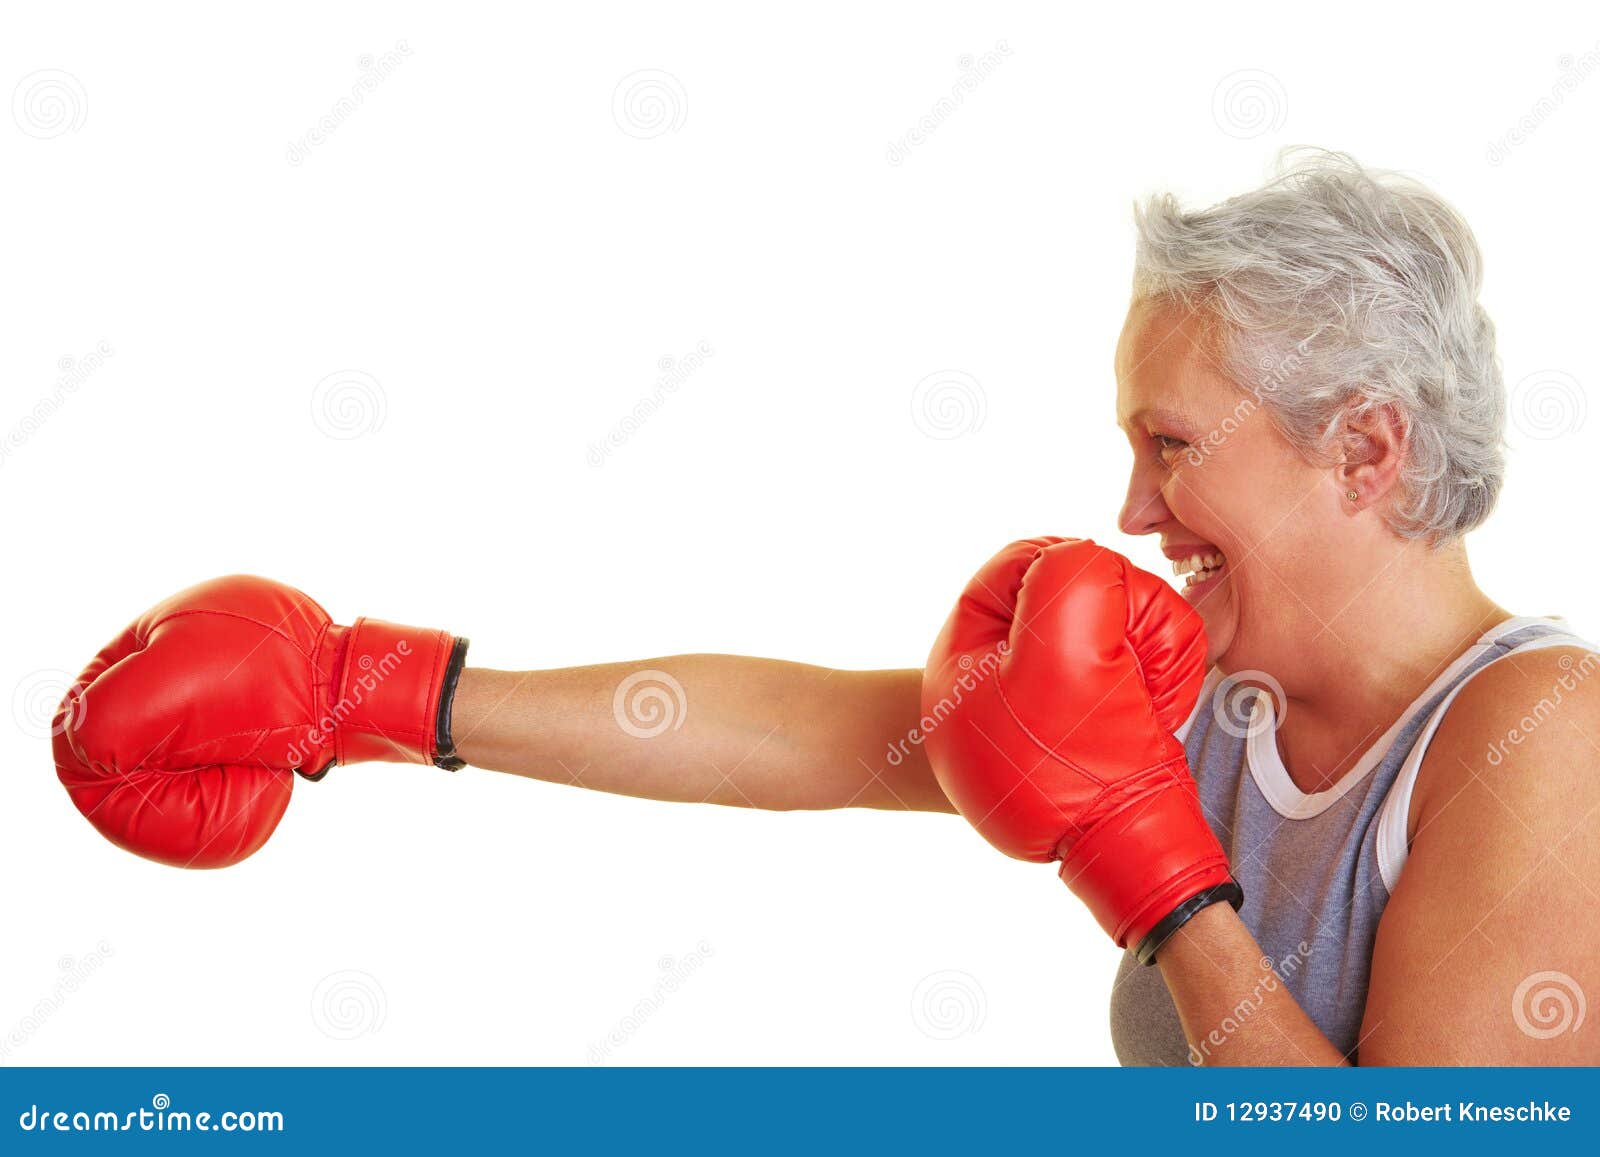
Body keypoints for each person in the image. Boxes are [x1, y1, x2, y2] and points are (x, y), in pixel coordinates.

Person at [54, 150, 1600, 1066]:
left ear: (1368, 449)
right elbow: (802, 734)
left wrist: (1169, 892)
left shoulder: (1537, 731)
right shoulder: (1207, 695)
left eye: (1173, 446)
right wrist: (371, 692)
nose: (1131, 510)